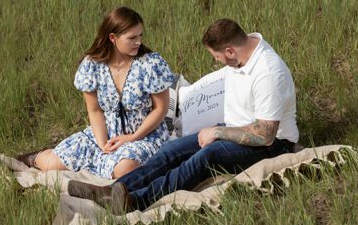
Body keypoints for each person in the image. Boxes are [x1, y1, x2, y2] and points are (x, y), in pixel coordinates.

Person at [68, 18, 297, 212]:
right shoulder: (242, 52)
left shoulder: (268, 73)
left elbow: (266, 134)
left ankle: (135, 200)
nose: (216, 61)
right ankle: (112, 191)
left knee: (206, 157)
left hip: (273, 144)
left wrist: (218, 132)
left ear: (230, 51)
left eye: (216, 56)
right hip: (234, 128)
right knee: (171, 151)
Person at [18, 7, 174, 180]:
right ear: (112, 38)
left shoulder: (151, 64)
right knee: (52, 164)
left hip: (144, 136)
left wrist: (132, 137)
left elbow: (161, 108)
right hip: (104, 134)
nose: (138, 42)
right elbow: (95, 110)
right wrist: (103, 145)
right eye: (132, 38)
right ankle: (34, 157)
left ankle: (114, 171)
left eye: (140, 35)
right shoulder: (92, 65)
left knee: (125, 168)